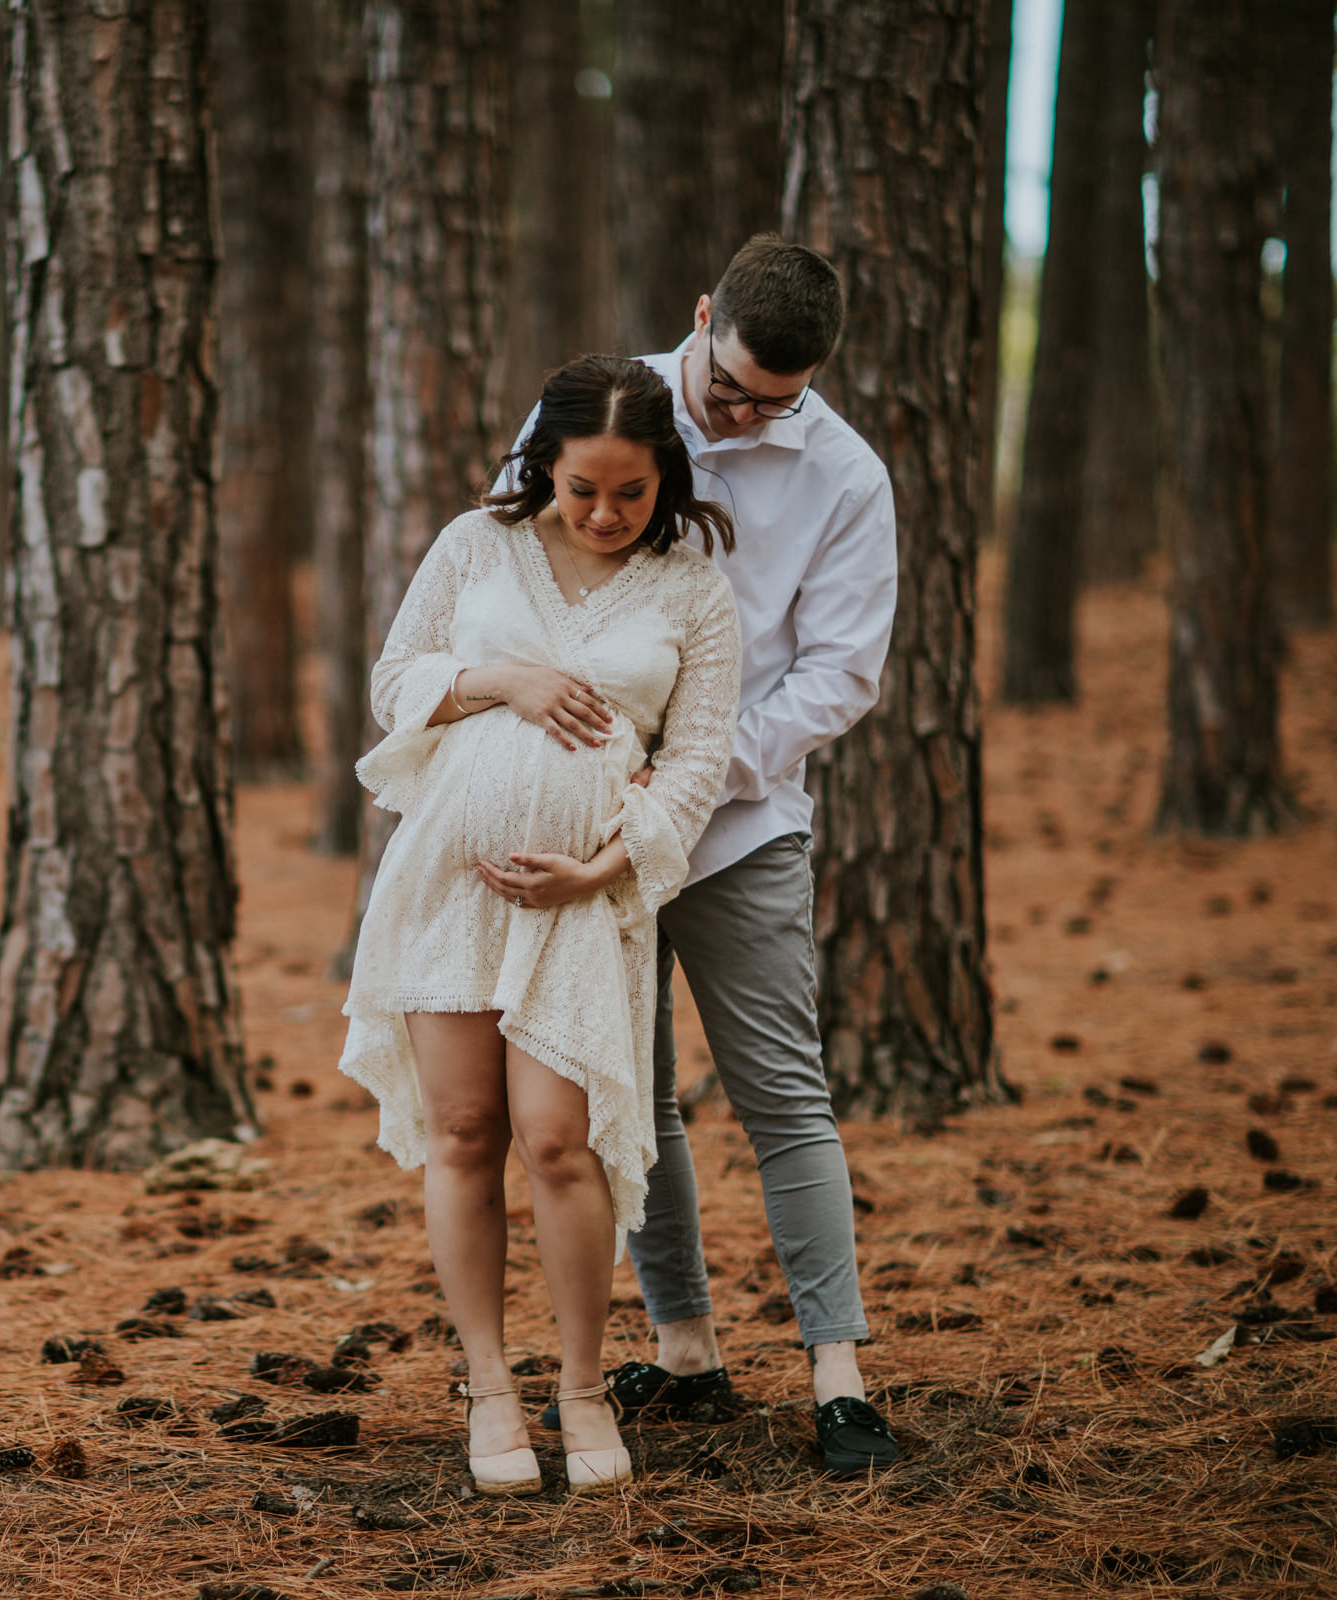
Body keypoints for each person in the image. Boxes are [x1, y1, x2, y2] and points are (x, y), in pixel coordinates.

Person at [497, 235, 902, 1476]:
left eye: (775, 401)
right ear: (702, 313)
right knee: (638, 1096)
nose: (741, 415)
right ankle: (685, 1350)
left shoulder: (845, 477)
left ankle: (839, 1374)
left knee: (783, 1092)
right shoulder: (600, 413)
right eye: (728, 388)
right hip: (584, 828)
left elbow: (840, 674)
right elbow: (513, 570)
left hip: (738, 828)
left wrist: (687, 776)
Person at [339, 356, 742, 1496]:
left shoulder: (693, 591)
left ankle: (581, 1385)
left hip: (582, 902)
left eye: (632, 492)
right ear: (545, 470)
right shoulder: (477, 544)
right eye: (582, 489)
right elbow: (395, 681)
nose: (606, 513)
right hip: (448, 885)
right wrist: (502, 680)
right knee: (465, 1130)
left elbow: (697, 764)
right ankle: (488, 1387)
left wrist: (601, 870)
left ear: (665, 476)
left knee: (560, 1142)